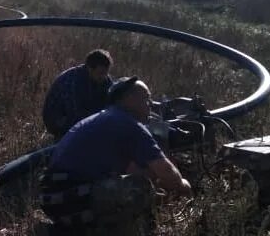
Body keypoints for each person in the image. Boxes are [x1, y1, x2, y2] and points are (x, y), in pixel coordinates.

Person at [40, 76, 192, 226]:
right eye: (147, 98)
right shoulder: (129, 125)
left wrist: (157, 187)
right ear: (129, 99)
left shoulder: (108, 118)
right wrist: (183, 186)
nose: (151, 104)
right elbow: (165, 171)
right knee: (140, 188)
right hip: (68, 197)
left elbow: (135, 170)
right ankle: (112, 235)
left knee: (147, 187)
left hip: (54, 198)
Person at [42, 49, 113, 139]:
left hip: (84, 118)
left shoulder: (104, 79)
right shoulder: (72, 81)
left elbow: (110, 103)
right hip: (59, 120)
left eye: (106, 73)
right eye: (101, 73)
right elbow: (74, 114)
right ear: (90, 68)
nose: (104, 77)